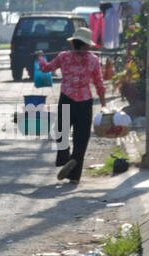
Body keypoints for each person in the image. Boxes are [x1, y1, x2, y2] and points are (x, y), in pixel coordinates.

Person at [36, 27, 107, 185]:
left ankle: (65, 159)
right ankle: (75, 174)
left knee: (61, 133)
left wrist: (40, 57)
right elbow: (99, 84)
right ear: (85, 45)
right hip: (85, 101)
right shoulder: (93, 60)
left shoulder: (64, 57)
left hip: (67, 99)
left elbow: (45, 68)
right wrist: (104, 105)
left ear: (74, 43)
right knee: (81, 138)